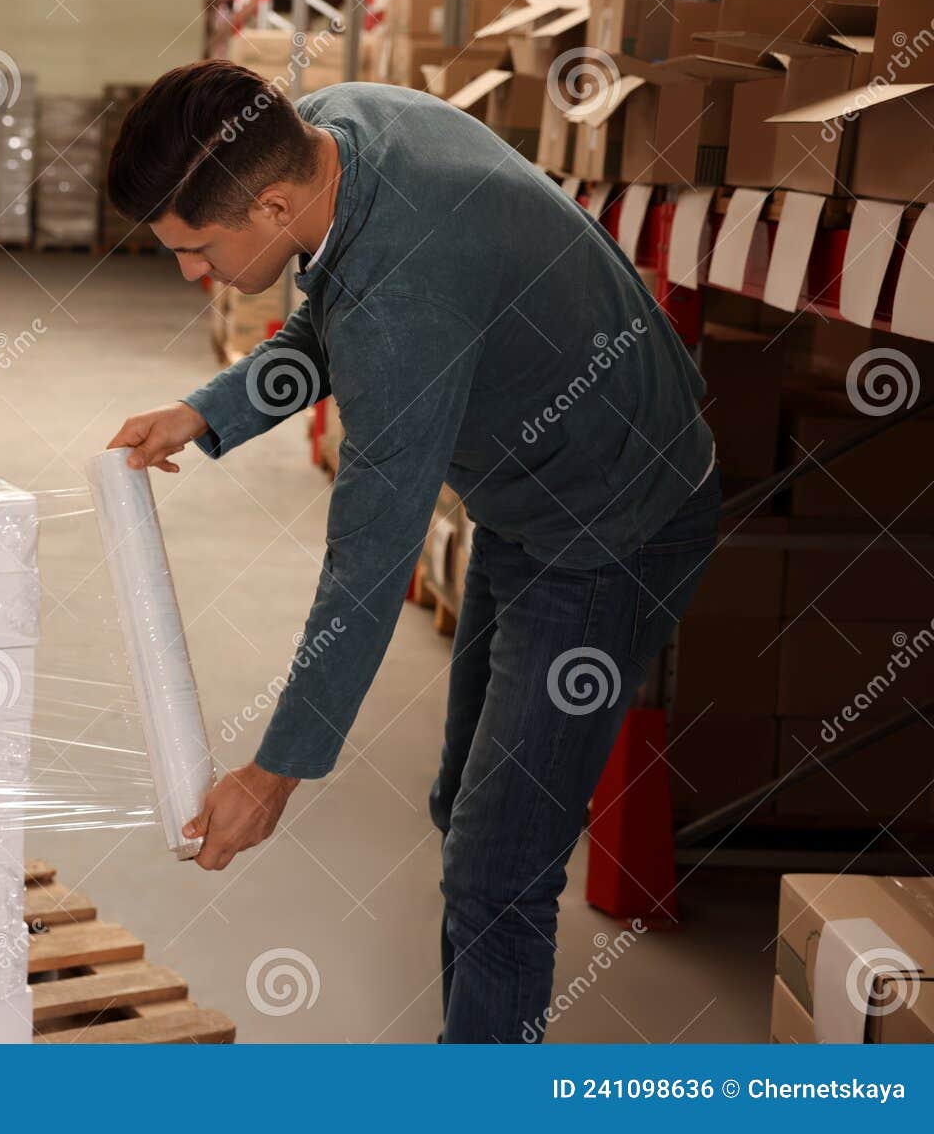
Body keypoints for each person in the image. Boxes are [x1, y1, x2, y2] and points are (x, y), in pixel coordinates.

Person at [102, 60, 720, 1043]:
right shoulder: (335, 129)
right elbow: (331, 320)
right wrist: (207, 410)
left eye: (197, 248)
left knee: (497, 868)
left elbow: (368, 566)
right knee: (460, 803)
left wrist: (274, 772)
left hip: (616, 523)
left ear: (271, 206)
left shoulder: (406, 300)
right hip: (538, 492)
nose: (189, 273)